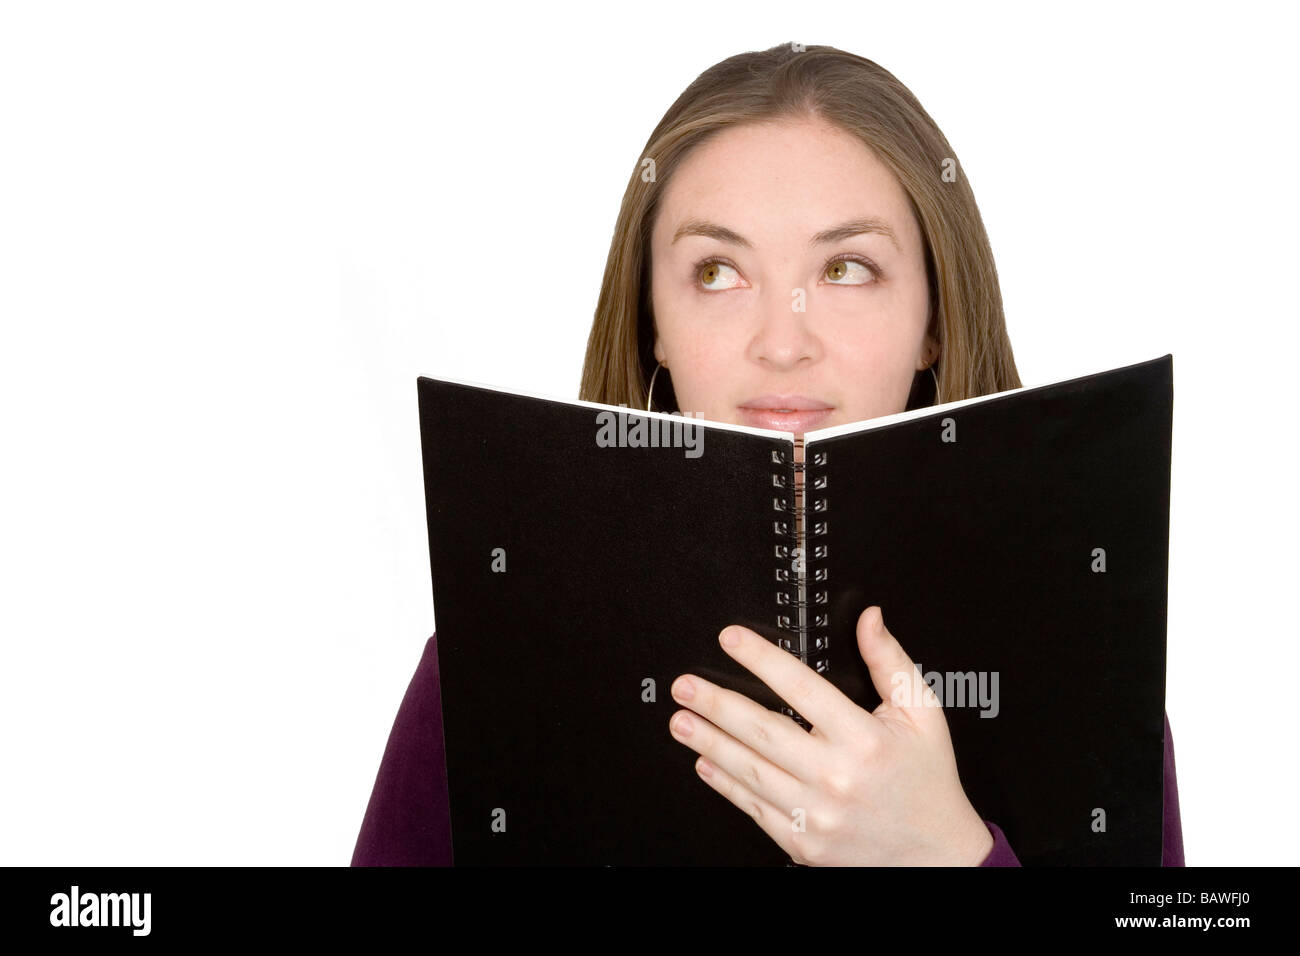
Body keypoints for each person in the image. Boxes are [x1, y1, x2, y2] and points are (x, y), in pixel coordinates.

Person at [351, 42, 1185, 866]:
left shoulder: (1089, 657)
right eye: (716, 271)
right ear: (653, 328)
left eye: (848, 268)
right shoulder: (489, 666)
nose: (783, 344)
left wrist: (947, 856)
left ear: (933, 319)